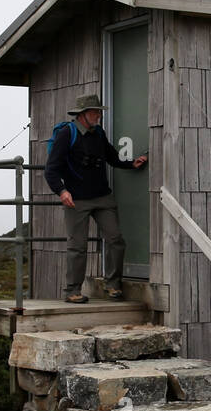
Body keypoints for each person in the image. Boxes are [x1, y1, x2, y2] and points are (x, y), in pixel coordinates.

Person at [43, 93, 148, 303]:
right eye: (95, 112)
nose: (98, 115)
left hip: (102, 197)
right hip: (76, 200)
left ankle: (113, 285)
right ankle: (72, 291)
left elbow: (111, 156)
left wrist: (131, 163)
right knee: (78, 247)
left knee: (116, 239)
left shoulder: (98, 132)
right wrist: (62, 192)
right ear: (82, 114)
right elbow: (51, 170)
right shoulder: (67, 134)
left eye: (99, 112)